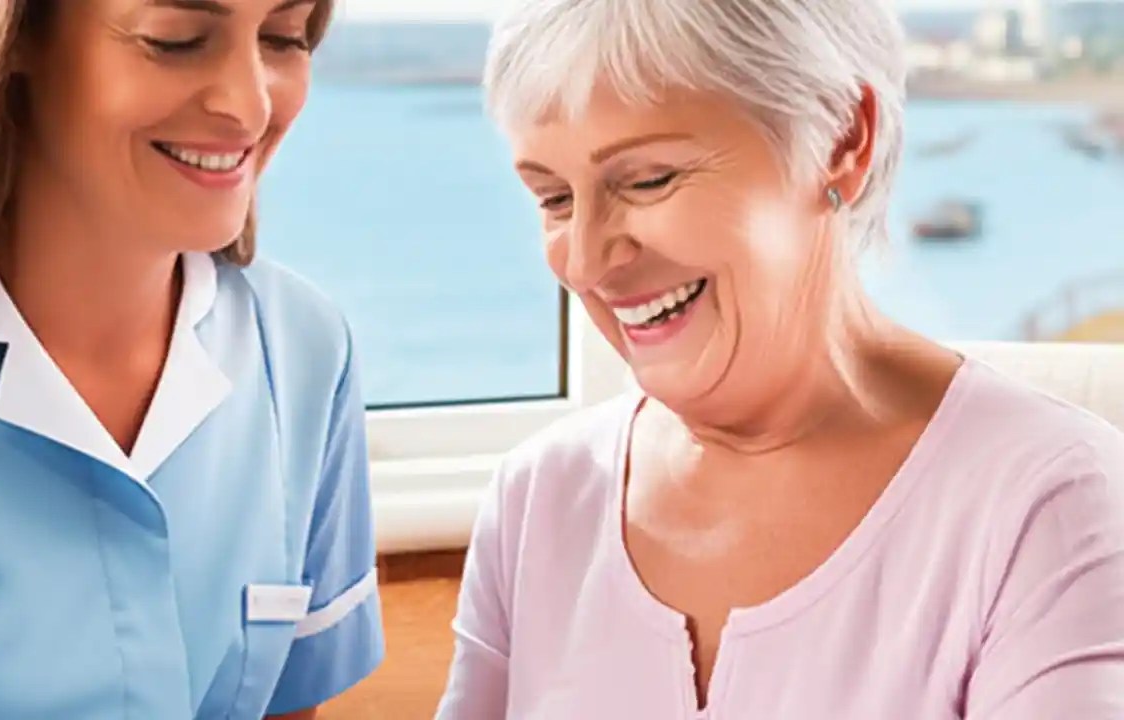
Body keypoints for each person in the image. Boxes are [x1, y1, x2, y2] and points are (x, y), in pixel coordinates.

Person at [437, 1, 1124, 718]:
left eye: (647, 180)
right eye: (553, 198)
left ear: (840, 140)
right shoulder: (539, 499)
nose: (584, 260)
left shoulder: (1051, 505)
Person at [0, 1, 382, 718]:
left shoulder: (304, 349)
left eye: (283, 39)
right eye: (178, 40)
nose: (249, 104)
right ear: (11, 35)